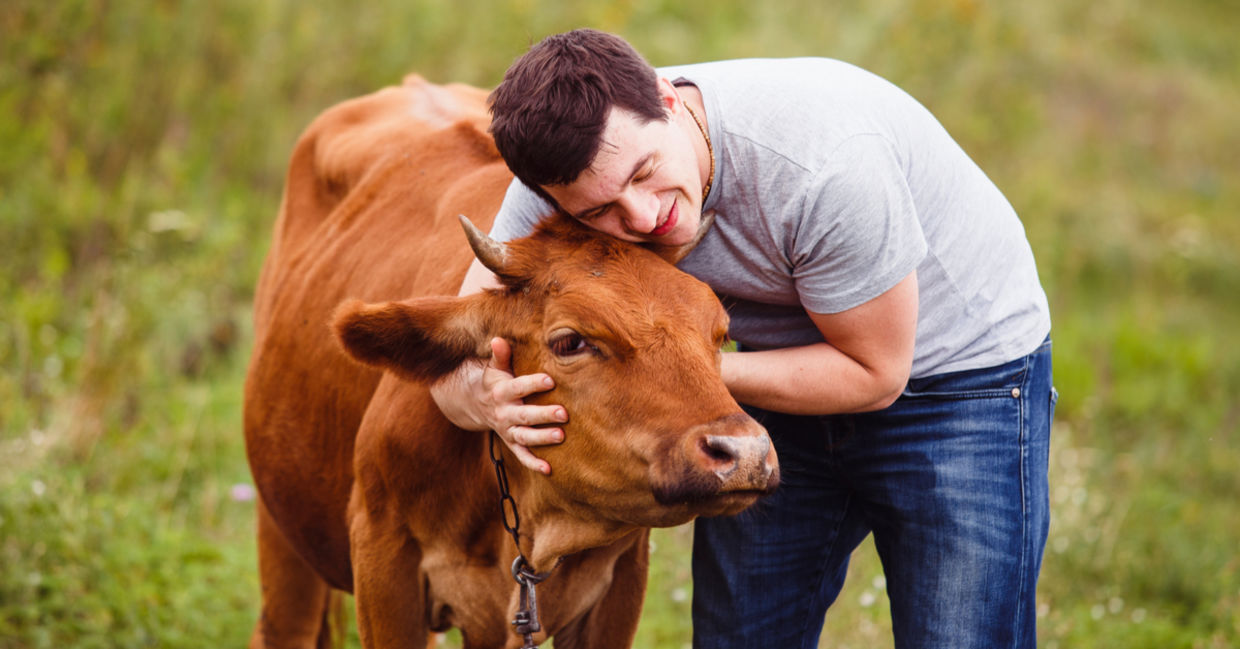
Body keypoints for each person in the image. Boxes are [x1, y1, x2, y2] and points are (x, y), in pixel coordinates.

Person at [430, 28, 1056, 649]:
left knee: (962, 637)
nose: (643, 217)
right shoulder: (568, 176)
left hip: (960, 384)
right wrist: (486, 400)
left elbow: (877, 373)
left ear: (667, 99)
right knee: (743, 636)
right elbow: (454, 359)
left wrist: (667, 370)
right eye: (599, 213)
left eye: (646, 173)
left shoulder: (825, 167)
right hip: (776, 381)